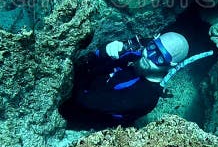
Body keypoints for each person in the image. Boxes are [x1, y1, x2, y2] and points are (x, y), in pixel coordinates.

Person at [59, 32, 190, 129]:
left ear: (171, 65)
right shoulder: (139, 54)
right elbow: (94, 58)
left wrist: (70, 78)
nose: (149, 56)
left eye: (160, 58)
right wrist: (105, 50)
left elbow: (85, 101)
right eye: (152, 47)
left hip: (80, 114)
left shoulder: (143, 98)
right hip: (89, 85)